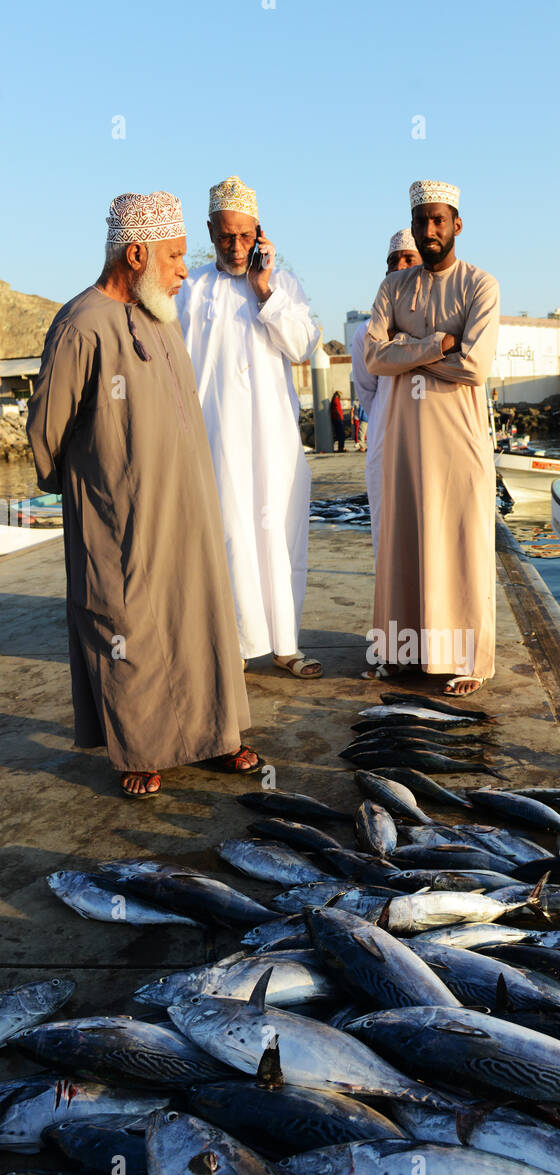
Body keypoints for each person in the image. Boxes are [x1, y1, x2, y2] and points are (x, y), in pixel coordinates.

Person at [26, 192, 258, 797]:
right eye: (176, 257)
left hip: (187, 508)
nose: (186, 269)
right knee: (126, 620)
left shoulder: (160, 318)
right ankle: (141, 747)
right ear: (136, 254)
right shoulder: (81, 325)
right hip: (118, 516)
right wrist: (91, 490)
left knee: (195, 613)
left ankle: (213, 737)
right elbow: (46, 435)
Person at [178, 176, 322, 680]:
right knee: (226, 539)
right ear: (210, 231)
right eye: (225, 236)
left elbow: (302, 344)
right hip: (214, 441)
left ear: (259, 233)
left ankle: (285, 645)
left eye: (245, 236)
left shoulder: (283, 285)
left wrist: (265, 292)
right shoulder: (191, 289)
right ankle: (232, 648)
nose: (236, 247)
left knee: (278, 537)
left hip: (272, 441)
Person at [363, 181, 500, 696]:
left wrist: (405, 349)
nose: (430, 230)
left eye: (439, 220)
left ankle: (468, 658)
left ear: (457, 223)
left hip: (458, 438)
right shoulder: (392, 289)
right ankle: (404, 652)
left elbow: (474, 366)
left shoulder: (480, 285)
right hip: (403, 438)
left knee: (461, 542)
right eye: (422, 221)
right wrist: (431, 344)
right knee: (404, 540)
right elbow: (373, 357)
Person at [350, 229, 422, 558]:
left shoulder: (441, 324)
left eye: (409, 258)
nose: (400, 266)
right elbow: (368, 392)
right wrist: (385, 417)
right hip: (384, 444)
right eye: (393, 261)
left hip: (428, 442)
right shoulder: (367, 333)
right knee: (390, 542)